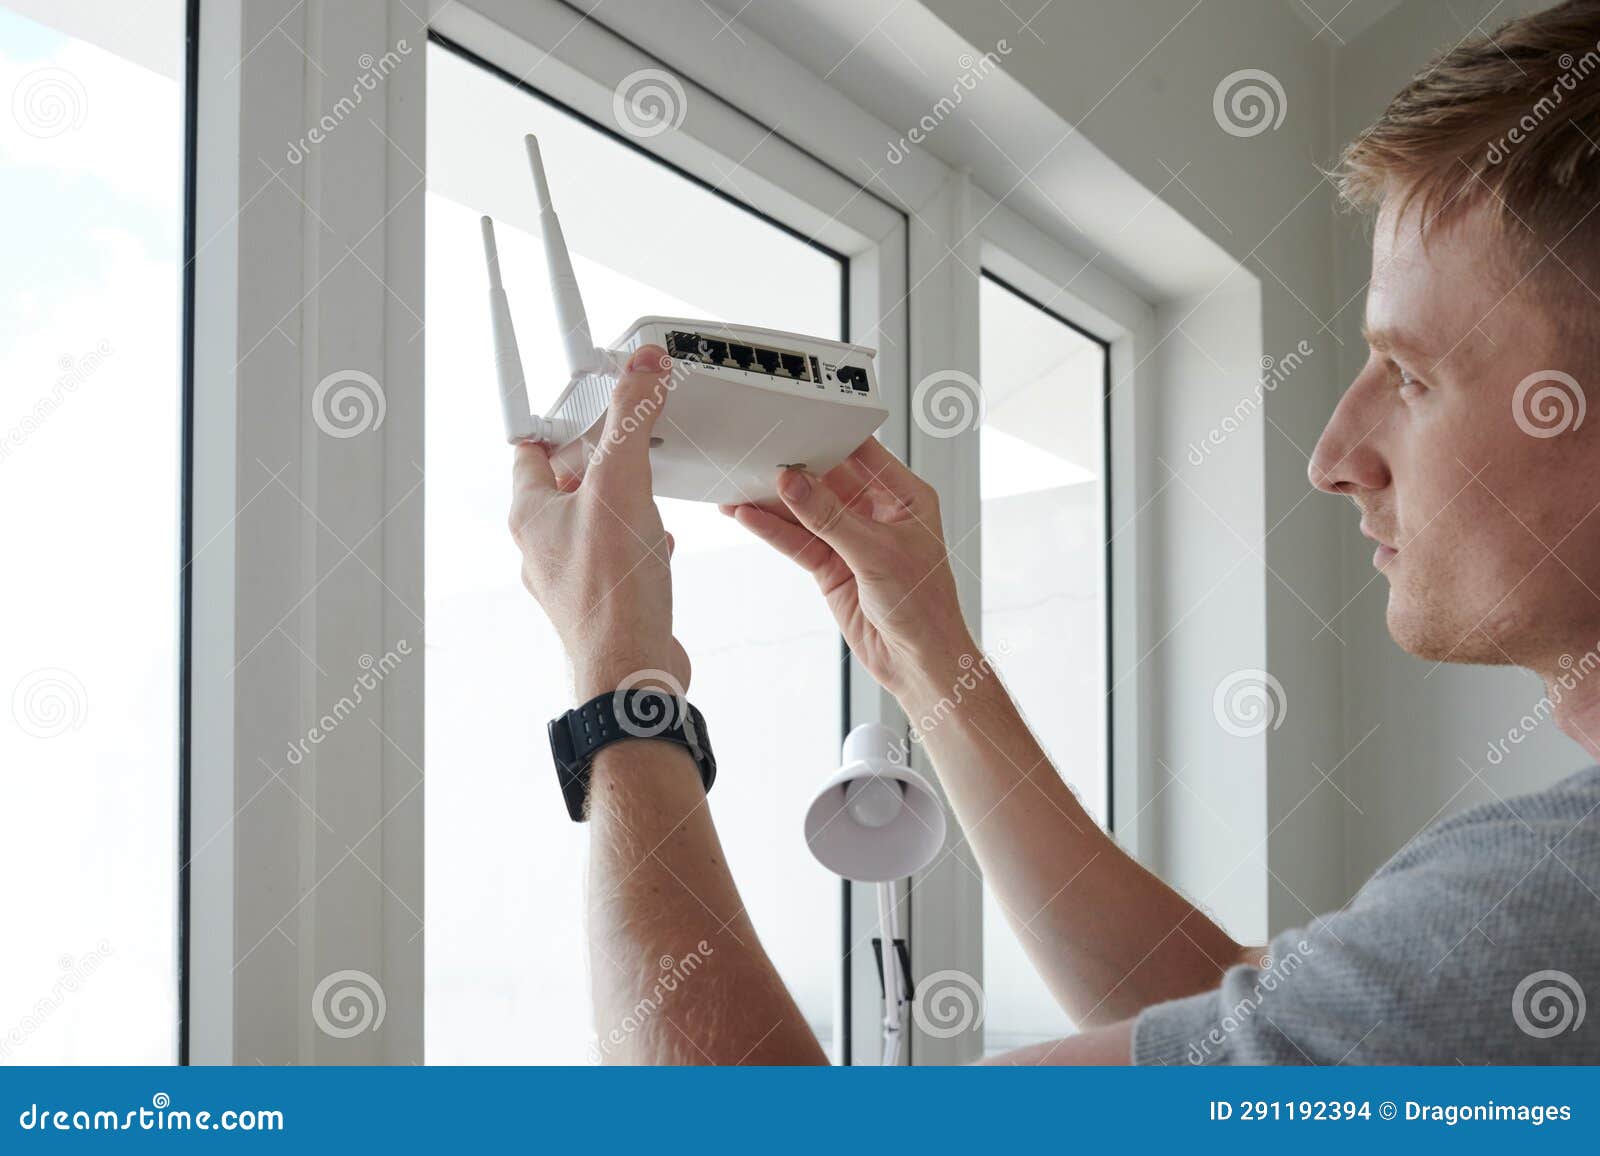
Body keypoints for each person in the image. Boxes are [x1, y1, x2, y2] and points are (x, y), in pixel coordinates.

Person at [506, 0, 1600, 1064]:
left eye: (1408, 373)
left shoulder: (1548, 907)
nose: (1330, 457)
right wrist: (930, 656)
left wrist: (620, 682)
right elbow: (1217, 1008)